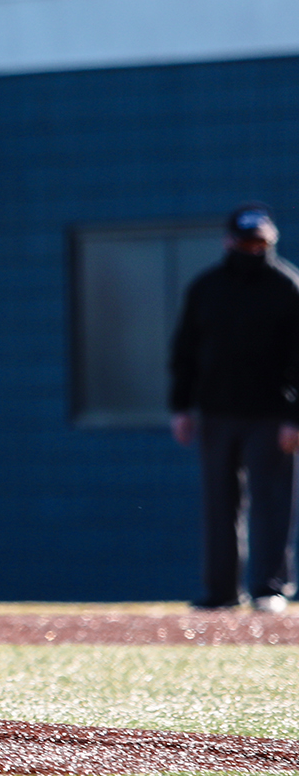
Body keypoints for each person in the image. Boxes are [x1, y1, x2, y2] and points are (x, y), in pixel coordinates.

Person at [169, 202, 299, 613]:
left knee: (271, 501)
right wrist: (181, 407)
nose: (252, 249)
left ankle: (269, 588)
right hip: (217, 413)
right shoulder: (206, 288)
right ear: (229, 241)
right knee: (219, 504)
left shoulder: (287, 286)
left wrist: (294, 417)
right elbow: (185, 351)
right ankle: (221, 591)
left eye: (260, 242)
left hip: (271, 416)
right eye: (246, 242)